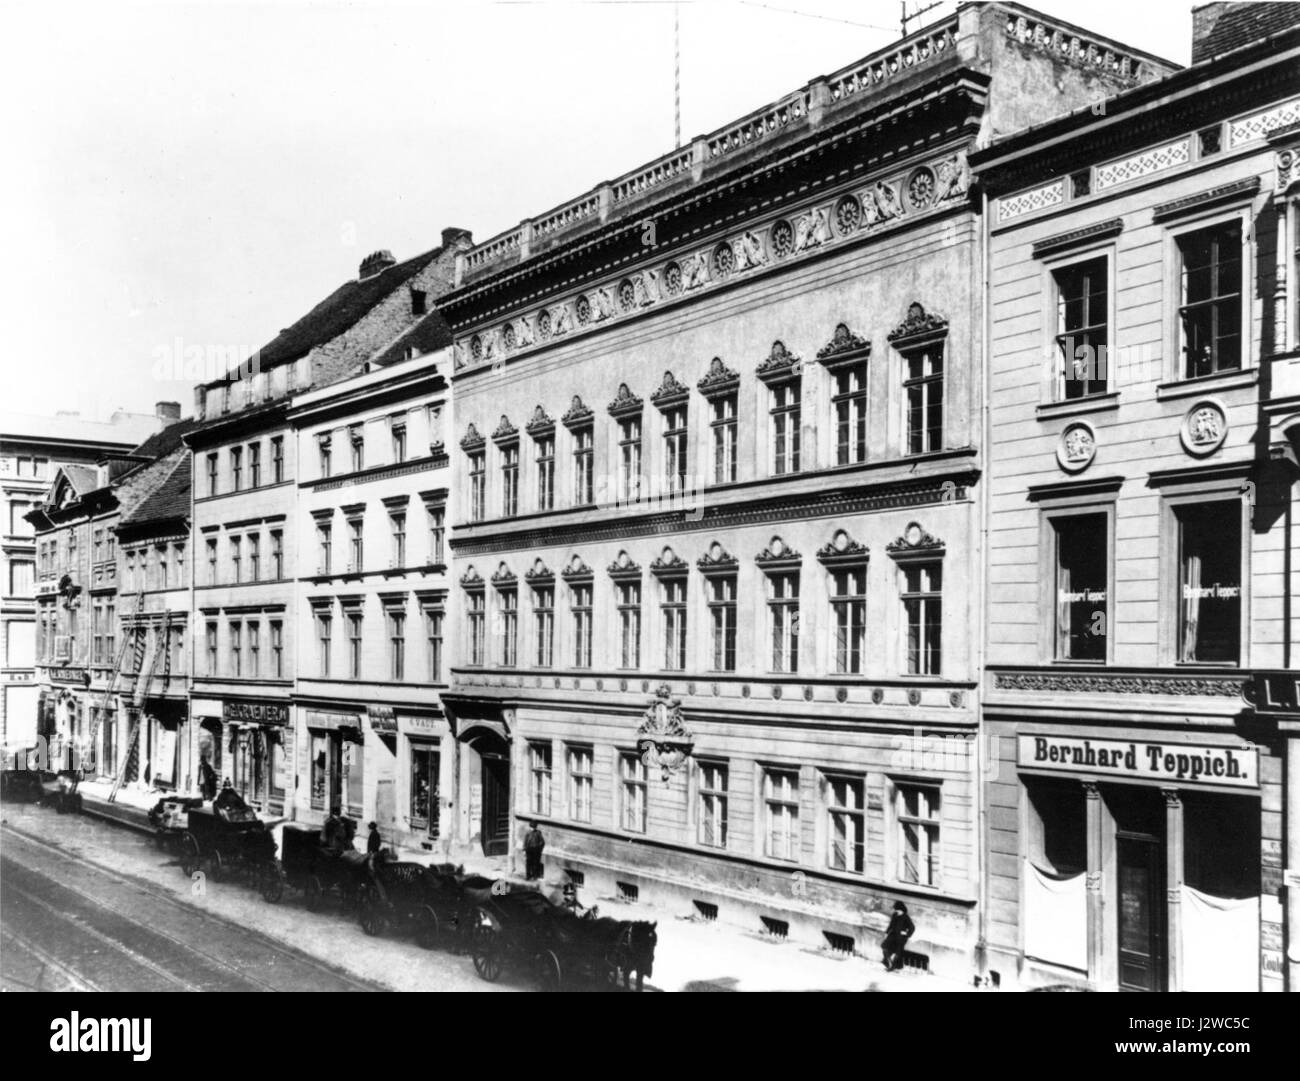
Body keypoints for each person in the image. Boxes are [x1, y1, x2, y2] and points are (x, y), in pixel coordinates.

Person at [881, 901, 915, 972]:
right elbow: (891, 925)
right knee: (884, 946)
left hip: (901, 938)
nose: (897, 911)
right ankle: (889, 963)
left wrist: (906, 933)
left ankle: (892, 966)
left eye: (898, 910)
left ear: (901, 909)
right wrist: (886, 933)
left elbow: (912, 927)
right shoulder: (894, 915)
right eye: (896, 910)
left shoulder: (906, 917)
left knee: (897, 952)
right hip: (893, 935)